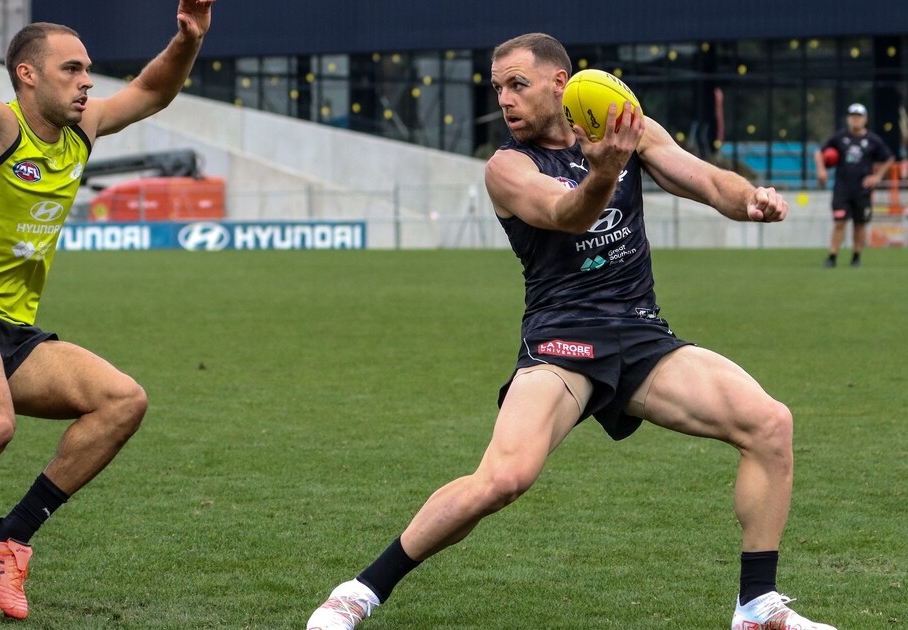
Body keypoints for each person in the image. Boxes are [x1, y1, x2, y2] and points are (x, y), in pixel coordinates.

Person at [307, 33, 837, 630]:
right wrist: (605, 170)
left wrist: (753, 200)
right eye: (497, 87)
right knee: (504, 478)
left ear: (561, 84)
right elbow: (567, 214)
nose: (504, 100)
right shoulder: (508, 167)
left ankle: (756, 607)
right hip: (563, 340)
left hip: (640, 333)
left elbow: (710, 182)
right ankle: (359, 591)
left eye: (517, 84)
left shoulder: (627, 128)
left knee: (770, 424)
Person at [0, 0, 214, 627]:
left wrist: (187, 39)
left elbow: (152, 90)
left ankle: (9, 536)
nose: (87, 81)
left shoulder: (83, 130)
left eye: (88, 70)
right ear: (28, 74)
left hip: (12, 331)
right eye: (72, 69)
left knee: (121, 400)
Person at [814, 103, 894, 268]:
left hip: (862, 190)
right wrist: (821, 170)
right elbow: (819, 152)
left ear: (865, 119)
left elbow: (889, 158)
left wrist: (877, 177)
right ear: (848, 118)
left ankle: (856, 257)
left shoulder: (872, 140)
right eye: (852, 116)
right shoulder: (839, 137)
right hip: (842, 188)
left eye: (858, 116)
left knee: (860, 224)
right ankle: (832, 256)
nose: (855, 120)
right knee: (839, 222)